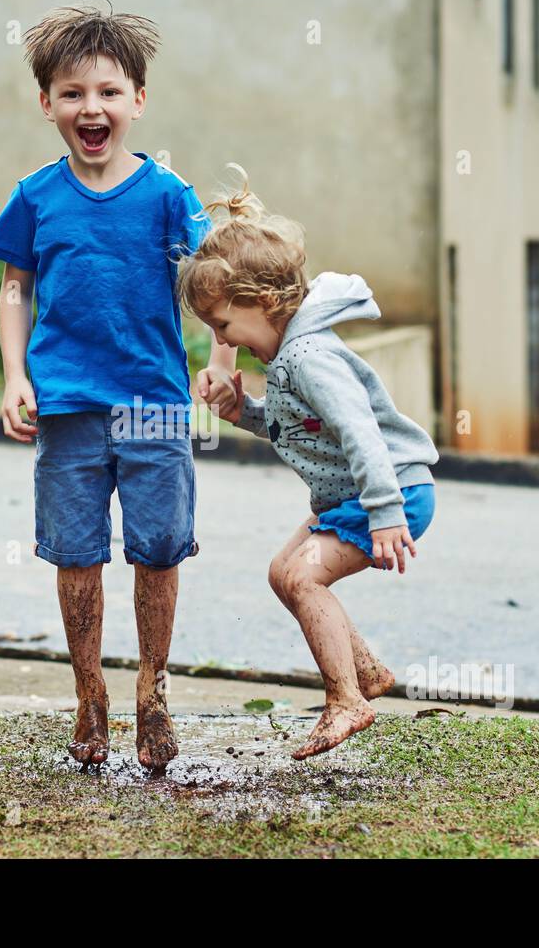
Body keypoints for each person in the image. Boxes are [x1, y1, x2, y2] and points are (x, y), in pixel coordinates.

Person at [0, 5, 239, 770]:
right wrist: (14, 375)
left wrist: (224, 363)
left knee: (159, 551)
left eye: (108, 92)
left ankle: (151, 692)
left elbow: (218, 281)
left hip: (154, 403)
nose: (91, 108)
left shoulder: (168, 195)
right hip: (66, 406)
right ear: (47, 104)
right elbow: (14, 289)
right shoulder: (34, 196)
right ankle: (88, 692)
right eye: (72, 94)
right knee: (76, 552)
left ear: (138, 101)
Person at [176, 166, 440, 759]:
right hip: (360, 498)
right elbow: (292, 425)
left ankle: (346, 700)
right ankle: (365, 671)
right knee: (281, 570)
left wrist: (385, 513)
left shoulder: (309, 356)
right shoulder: (290, 357)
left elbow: (359, 430)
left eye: (223, 324)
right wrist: (240, 408)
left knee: (302, 577)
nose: (224, 339)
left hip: (390, 494)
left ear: (262, 302)